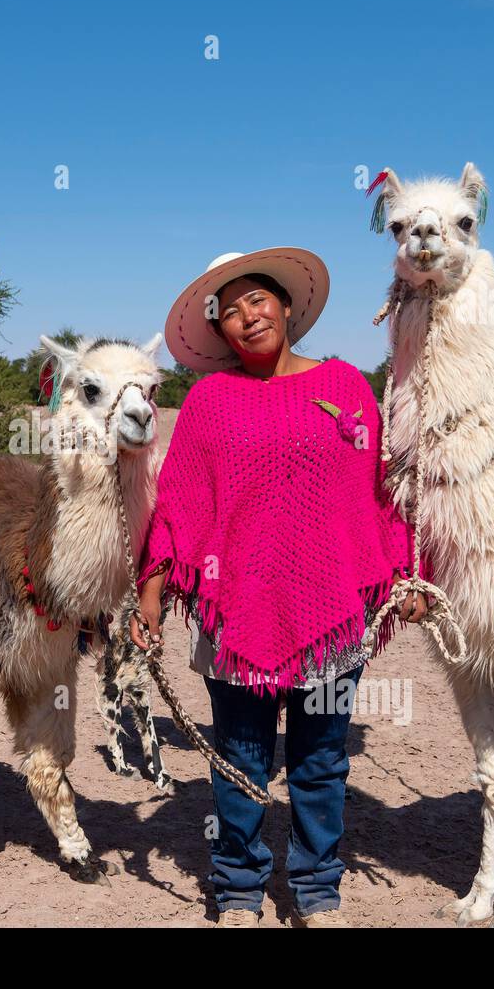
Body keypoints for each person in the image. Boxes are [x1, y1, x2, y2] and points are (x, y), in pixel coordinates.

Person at [131, 248, 425, 928]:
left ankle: (317, 888)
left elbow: (381, 489)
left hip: (330, 610)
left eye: (256, 299)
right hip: (236, 613)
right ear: (220, 332)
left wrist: (402, 568)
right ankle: (237, 888)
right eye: (229, 311)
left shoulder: (346, 386)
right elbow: (178, 497)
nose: (245, 316)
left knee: (321, 760)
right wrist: (152, 588)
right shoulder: (209, 400)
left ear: (288, 305)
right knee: (241, 759)